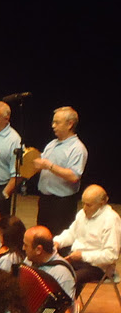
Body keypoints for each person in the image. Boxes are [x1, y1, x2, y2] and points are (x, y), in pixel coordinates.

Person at [53, 184, 121, 292]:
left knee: (67, 280)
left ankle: (67, 306)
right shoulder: (82, 214)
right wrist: (57, 242)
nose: (84, 208)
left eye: (88, 205)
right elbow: (71, 234)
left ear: (101, 204)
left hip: (98, 267)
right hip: (76, 259)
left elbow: (111, 255)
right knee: (52, 272)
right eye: (83, 203)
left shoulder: (111, 220)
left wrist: (83, 256)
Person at [34, 106, 88, 235]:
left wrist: (49, 166)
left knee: (59, 240)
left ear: (70, 124)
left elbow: (74, 176)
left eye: (57, 122)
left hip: (62, 204)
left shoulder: (77, 148)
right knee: (42, 237)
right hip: (45, 200)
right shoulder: (52, 144)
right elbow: (42, 165)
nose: (53, 126)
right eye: (53, 122)